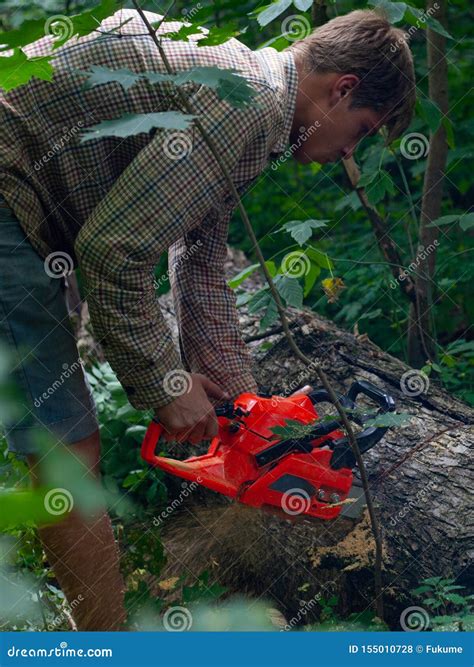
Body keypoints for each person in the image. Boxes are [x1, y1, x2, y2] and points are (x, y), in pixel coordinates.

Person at [0, 7, 415, 630]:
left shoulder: (248, 90)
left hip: (29, 204)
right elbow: (114, 251)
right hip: (9, 190)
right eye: (359, 131)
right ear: (343, 89)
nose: (345, 153)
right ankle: (106, 643)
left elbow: (198, 256)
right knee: (64, 439)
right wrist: (166, 383)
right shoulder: (244, 106)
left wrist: (242, 409)